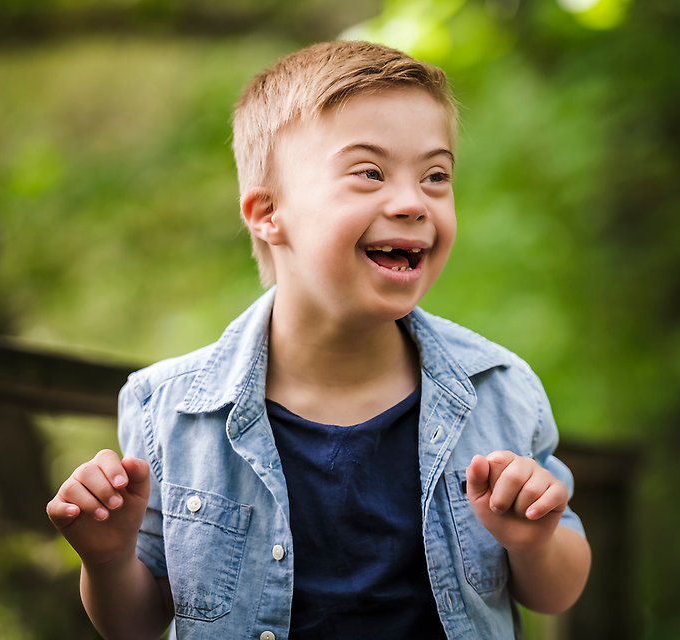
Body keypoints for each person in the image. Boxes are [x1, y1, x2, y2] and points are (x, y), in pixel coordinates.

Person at [46, 40, 591, 640]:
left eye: (436, 176)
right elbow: (135, 625)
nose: (413, 202)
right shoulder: (168, 410)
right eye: (369, 173)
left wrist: (533, 540)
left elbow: (558, 590)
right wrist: (106, 558)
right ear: (267, 214)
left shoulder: (500, 390)